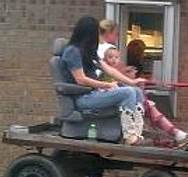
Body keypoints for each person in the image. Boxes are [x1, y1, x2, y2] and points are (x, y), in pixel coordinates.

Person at [61, 16, 148, 145]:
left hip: (94, 94)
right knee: (128, 92)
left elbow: (109, 70)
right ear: (88, 33)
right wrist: (107, 85)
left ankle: (137, 134)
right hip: (83, 98)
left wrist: (132, 82)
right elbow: (81, 80)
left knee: (135, 91)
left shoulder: (89, 51)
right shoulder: (72, 52)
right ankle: (129, 136)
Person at [102, 45, 188, 148]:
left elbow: (123, 84)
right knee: (148, 106)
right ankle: (176, 134)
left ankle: (176, 133)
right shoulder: (106, 72)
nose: (114, 60)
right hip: (116, 100)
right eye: (110, 57)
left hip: (122, 99)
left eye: (116, 57)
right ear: (105, 58)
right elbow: (110, 87)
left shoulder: (115, 71)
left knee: (148, 105)